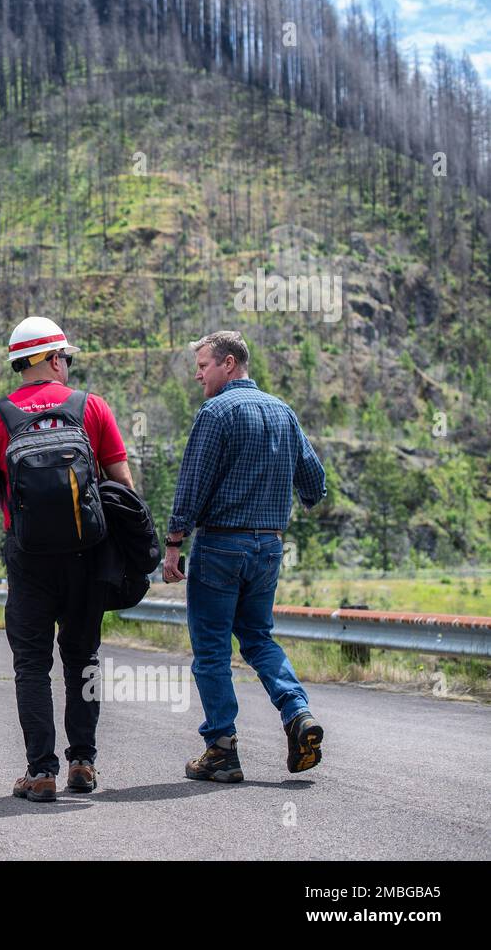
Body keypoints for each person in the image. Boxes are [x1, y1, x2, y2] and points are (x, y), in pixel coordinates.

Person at [0, 316, 134, 800]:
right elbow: (122, 483)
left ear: (20, 363)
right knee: (83, 659)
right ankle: (83, 763)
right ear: (54, 359)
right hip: (86, 554)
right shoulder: (90, 407)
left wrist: (12, 503)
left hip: (29, 555)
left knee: (32, 664)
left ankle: (41, 772)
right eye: (66, 358)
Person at [163, 331, 328, 782]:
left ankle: (221, 749)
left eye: (203, 365)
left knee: (212, 649)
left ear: (229, 363)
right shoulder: (284, 412)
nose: (198, 375)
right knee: (257, 637)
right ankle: (298, 712)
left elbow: (192, 484)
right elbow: (315, 484)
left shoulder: (215, 413)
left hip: (220, 545)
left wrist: (174, 542)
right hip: (269, 546)